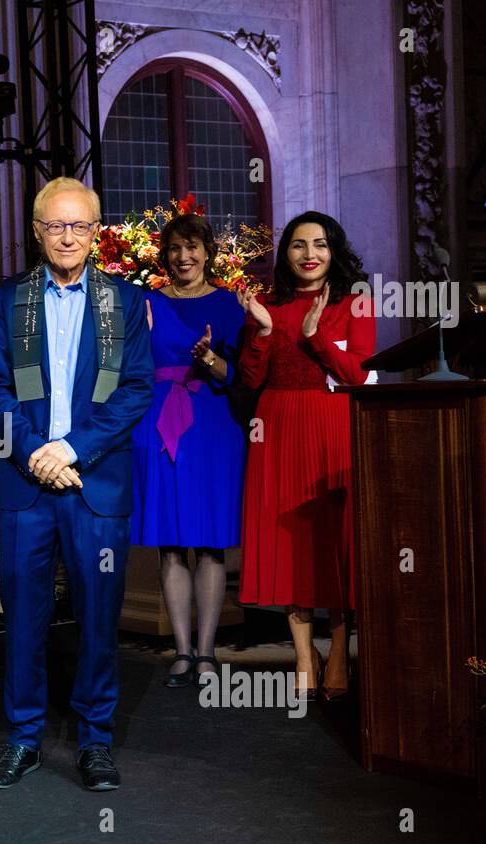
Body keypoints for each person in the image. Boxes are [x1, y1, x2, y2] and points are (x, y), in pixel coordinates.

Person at [0, 177, 153, 791]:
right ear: (37, 231)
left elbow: (136, 390)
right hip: (27, 487)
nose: (68, 236)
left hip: (95, 483)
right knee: (24, 616)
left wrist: (73, 449)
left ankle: (95, 741)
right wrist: (35, 453)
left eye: (80, 225)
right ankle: (23, 738)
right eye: (56, 225)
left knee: (100, 617)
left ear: (97, 232)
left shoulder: (125, 304)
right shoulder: (8, 300)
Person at [235, 211, 375, 701]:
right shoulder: (267, 304)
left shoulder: (354, 303)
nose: (308, 254)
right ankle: (302, 656)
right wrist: (264, 332)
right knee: (291, 544)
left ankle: (338, 651)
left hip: (333, 426)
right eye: (298, 245)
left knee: (331, 542)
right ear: (286, 253)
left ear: (333, 251)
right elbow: (250, 381)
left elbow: (359, 375)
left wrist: (316, 339)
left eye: (319, 244)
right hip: (277, 428)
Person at [131, 214, 246, 687]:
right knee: (172, 544)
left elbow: (241, 376)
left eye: (193, 247)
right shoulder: (146, 303)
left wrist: (210, 359)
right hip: (158, 425)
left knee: (212, 545)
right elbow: (129, 366)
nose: (184, 257)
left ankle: (207, 651)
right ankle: (181, 650)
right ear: (166, 255)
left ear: (207, 252)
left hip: (213, 428)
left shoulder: (229, 305)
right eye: (176, 248)